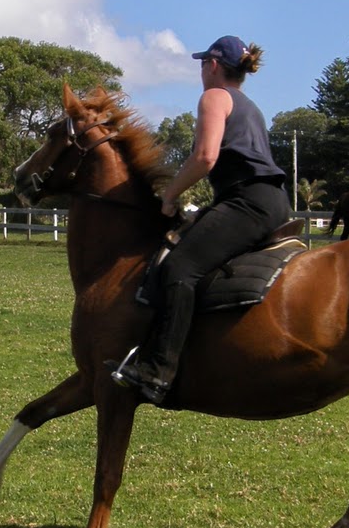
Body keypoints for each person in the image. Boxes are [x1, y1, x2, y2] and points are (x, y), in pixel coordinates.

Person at [109, 35, 290, 406]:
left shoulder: (213, 97)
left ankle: (157, 372)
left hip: (248, 201)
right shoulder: (250, 106)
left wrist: (171, 194)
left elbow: (206, 157)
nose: (200, 71)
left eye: (201, 64)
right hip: (273, 200)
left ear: (212, 64)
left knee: (180, 267)